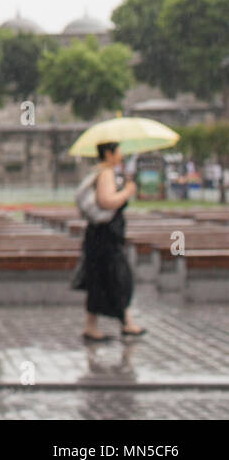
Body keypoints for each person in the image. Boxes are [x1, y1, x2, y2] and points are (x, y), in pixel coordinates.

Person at [73, 141, 145, 342]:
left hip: (101, 236)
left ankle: (110, 323)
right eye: (118, 150)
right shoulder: (106, 173)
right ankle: (123, 322)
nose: (121, 154)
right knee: (117, 278)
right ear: (108, 153)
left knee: (103, 278)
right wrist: (127, 192)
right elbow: (106, 201)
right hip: (105, 238)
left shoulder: (104, 172)